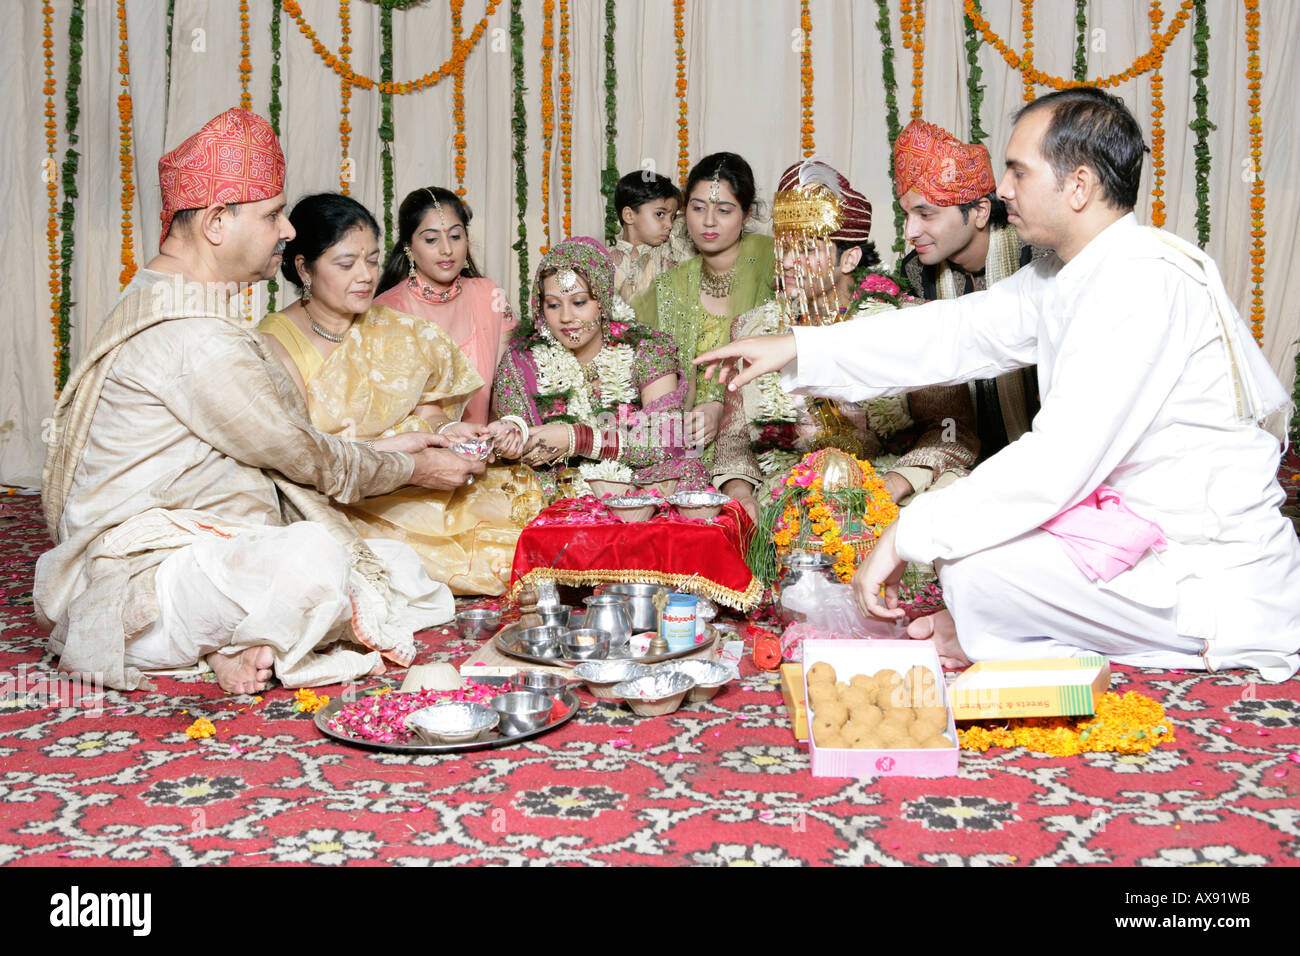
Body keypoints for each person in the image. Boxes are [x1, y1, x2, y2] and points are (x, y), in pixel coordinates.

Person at [697, 88, 1300, 681]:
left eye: (1017, 171)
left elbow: (1058, 462)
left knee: (971, 567)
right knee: (972, 564)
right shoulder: (1075, 272)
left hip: (1199, 563)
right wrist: (799, 347)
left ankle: (1026, 636)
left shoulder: (1141, 284)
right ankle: (989, 629)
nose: (1002, 189)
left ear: (1079, 186)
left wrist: (907, 531)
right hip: (1121, 527)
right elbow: (952, 333)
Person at [35, 108, 486, 696]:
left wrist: (388, 447)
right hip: (149, 569)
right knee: (315, 559)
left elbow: (271, 447)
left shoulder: (169, 298)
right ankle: (217, 639)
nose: (288, 230)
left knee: (399, 568)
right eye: (272, 214)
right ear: (218, 221)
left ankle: (235, 640)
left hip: (208, 544)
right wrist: (413, 466)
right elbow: (303, 458)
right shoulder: (194, 337)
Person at [260, 193, 538, 596]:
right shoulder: (276, 342)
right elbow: (302, 460)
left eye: (372, 261)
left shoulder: (395, 327)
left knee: (529, 525)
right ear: (304, 267)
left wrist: (452, 431)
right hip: (338, 504)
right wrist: (398, 453)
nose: (365, 276)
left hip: (420, 486)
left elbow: (429, 411)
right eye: (346, 263)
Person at [711, 159, 978, 519]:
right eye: (784, 247)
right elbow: (733, 442)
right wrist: (741, 494)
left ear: (849, 258)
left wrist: (894, 484)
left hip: (885, 488)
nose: (788, 262)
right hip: (787, 490)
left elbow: (953, 430)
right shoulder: (752, 329)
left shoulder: (909, 322)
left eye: (806, 249)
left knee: (953, 496)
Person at [493, 237, 707, 495]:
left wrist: (576, 439)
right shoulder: (520, 361)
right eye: (553, 305)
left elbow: (667, 439)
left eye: (579, 302)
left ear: (603, 301)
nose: (566, 317)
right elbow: (521, 439)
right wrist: (510, 439)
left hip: (632, 483)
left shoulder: (646, 350)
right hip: (554, 485)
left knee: (686, 471)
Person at [894, 118, 1043, 457]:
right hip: (957, 453)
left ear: (978, 211)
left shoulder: (1036, 261)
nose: (910, 232)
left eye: (926, 214)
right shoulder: (916, 273)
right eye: (906, 215)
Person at [631, 152, 775, 458]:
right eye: (697, 208)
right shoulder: (668, 287)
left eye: (724, 210)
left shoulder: (773, 264)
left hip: (765, 440)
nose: (708, 222)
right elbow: (646, 373)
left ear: (746, 214)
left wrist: (722, 408)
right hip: (684, 442)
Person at [373, 187, 519, 438]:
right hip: (415, 463)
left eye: (455, 236)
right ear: (408, 246)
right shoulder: (386, 311)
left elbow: (510, 383)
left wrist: (508, 430)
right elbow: (389, 408)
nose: (447, 250)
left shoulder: (489, 297)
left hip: (485, 453)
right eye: (431, 240)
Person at [609, 170, 692, 304]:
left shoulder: (669, 254)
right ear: (629, 215)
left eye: (672, 217)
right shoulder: (604, 259)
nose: (669, 225)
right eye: (660, 214)